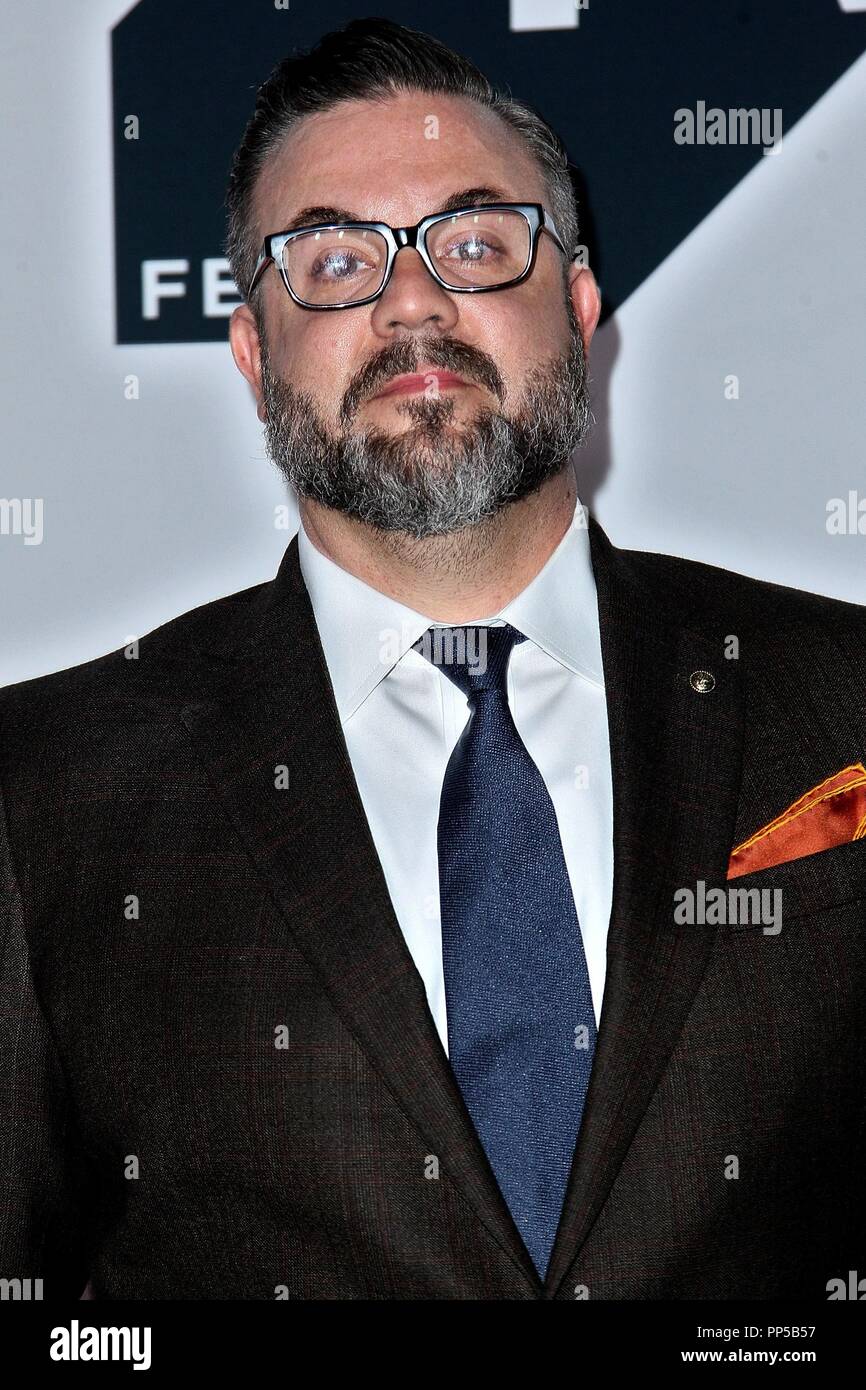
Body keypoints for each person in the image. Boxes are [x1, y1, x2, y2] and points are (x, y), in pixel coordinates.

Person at [1, 17, 864, 1302]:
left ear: (576, 307)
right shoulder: (44, 783)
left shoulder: (840, 695)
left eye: (471, 244)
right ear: (251, 355)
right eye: (334, 259)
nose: (410, 301)